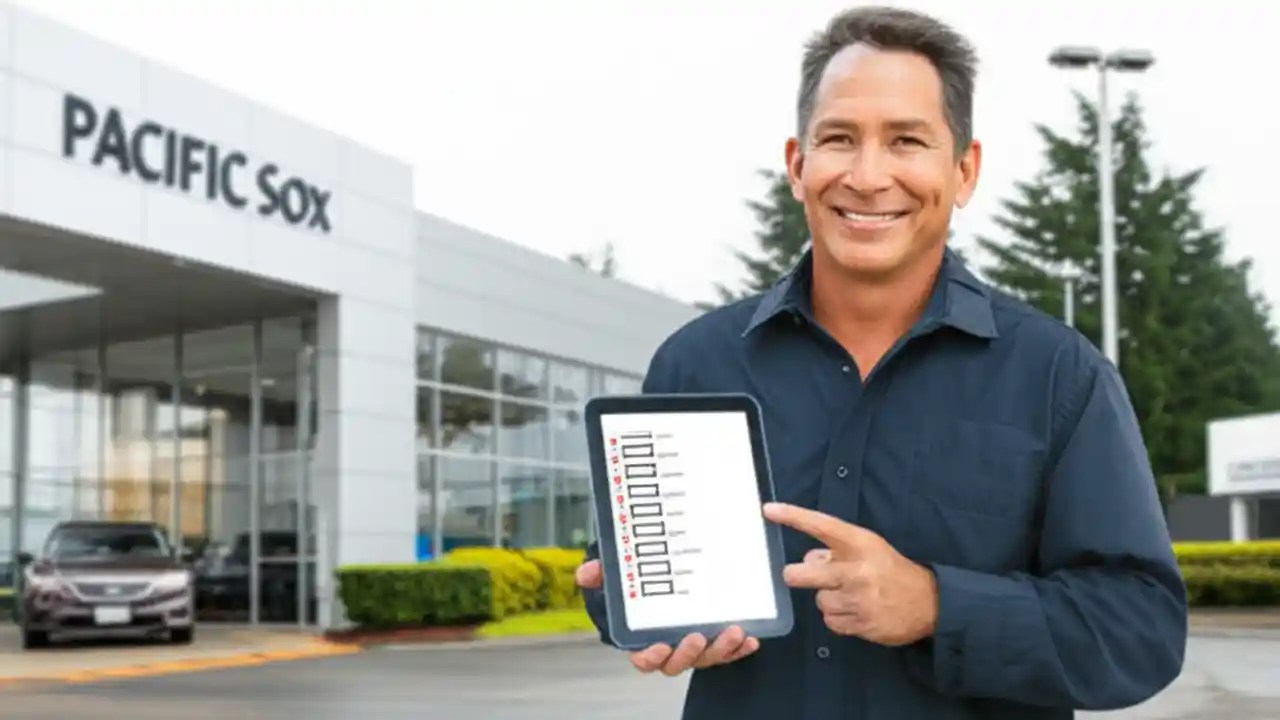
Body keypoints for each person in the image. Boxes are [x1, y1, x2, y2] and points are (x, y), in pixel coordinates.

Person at [575, 5, 1188, 719]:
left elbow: (1139, 630)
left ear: (964, 170)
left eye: (907, 141)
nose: (867, 177)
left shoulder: (1058, 376)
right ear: (798, 165)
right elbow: (630, 570)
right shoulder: (696, 363)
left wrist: (937, 605)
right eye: (839, 138)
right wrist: (626, 599)